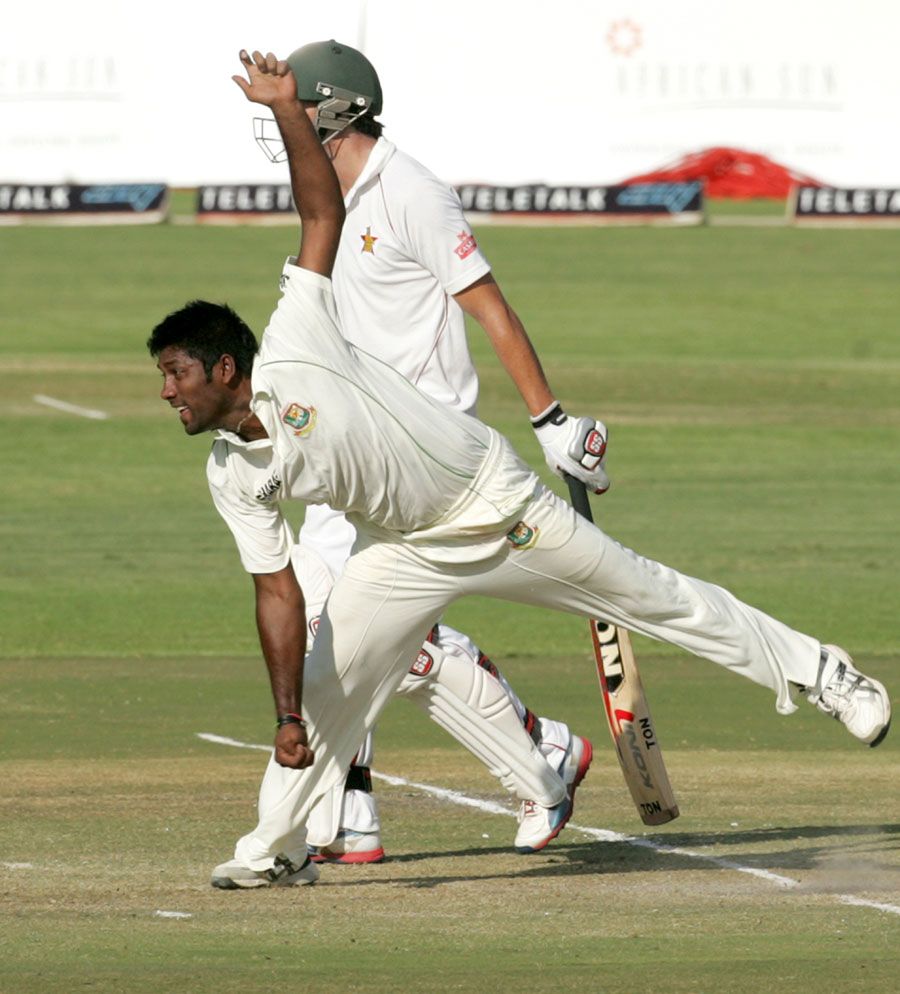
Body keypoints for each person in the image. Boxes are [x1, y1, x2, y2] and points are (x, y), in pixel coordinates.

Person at [148, 51, 891, 890]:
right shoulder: (229, 474)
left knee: (652, 596)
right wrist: (285, 713)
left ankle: (821, 673)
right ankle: (276, 850)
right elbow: (275, 591)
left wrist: (551, 422)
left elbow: (319, 212)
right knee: (322, 691)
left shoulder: (296, 332)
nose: (164, 394)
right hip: (399, 547)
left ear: (222, 368)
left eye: (176, 374)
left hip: (490, 502)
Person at [252, 38, 602, 866]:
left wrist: (550, 421)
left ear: (335, 112)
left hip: (430, 456)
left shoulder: (412, 191)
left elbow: (491, 309)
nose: (286, 133)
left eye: (298, 113)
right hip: (363, 450)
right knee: (327, 628)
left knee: (360, 631)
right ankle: (363, 808)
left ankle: (536, 758)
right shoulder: (333, 204)